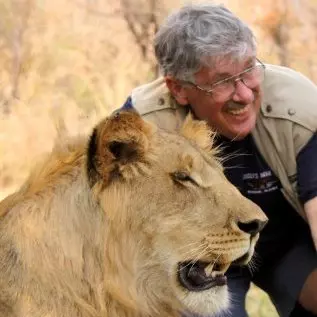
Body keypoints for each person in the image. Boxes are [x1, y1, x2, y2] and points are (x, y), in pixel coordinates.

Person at [119, 3, 317, 316]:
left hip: (287, 246)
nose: (245, 95)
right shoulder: (143, 124)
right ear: (179, 89)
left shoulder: (300, 108)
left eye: (249, 69)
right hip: (203, 260)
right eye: (222, 81)